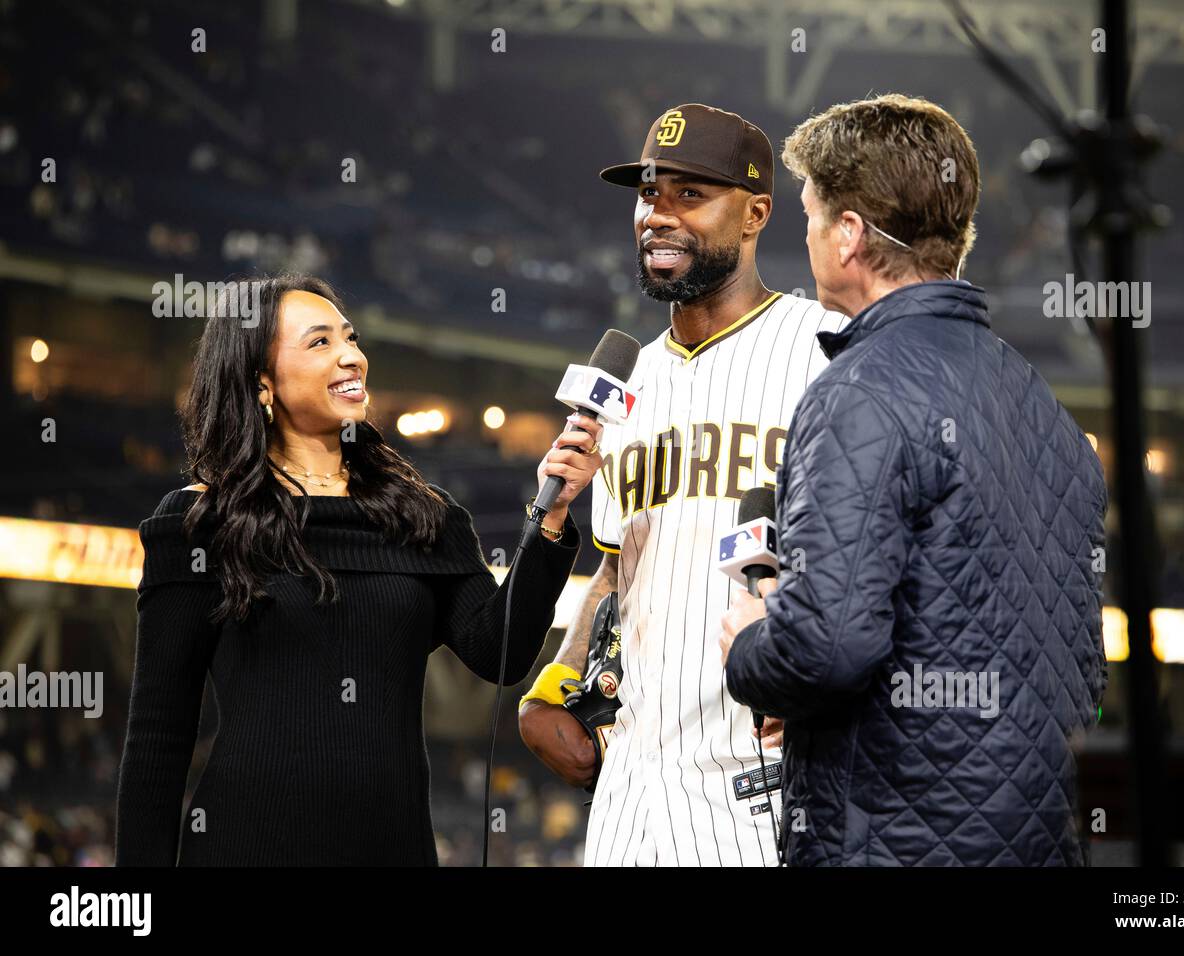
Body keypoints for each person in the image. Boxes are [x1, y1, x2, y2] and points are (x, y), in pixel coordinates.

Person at [721, 95, 1108, 866]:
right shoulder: (1044, 408)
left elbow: (827, 646)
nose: (805, 236)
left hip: (892, 843)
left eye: (809, 215)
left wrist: (753, 650)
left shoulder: (858, 393)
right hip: (1039, 841)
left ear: (851, 235)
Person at [114, 273, 602, 866]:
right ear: (261, 382)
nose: (352, 355)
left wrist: (548, 519)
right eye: (320, 343)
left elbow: (500, 648)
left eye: (350, 337)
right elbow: (159, 738)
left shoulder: (421, 515)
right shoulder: (201, 521)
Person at [517, 103, 848, 866]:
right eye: (648, 195)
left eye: (689, 196)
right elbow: (613, 569)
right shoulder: (625, 387)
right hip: (629, 786)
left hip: (758, 780)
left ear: (758, 212)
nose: (657, 216)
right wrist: (554, 680)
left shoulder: (821, 348)